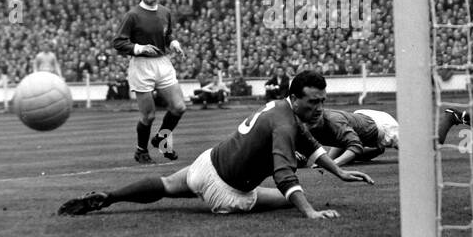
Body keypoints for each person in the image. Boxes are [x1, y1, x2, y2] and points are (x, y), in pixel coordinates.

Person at [57, 71, 372, 218]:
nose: (319, 108)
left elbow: (314, 147)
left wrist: (339, 173)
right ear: (295, 99)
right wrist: (311, 213)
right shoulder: (286, 125)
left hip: (208, 163)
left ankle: (109, 198)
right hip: (228, 192)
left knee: (166, 185)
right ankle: (298, 207)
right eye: (313, 102)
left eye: (322, 102)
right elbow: (284, 176)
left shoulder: (280, 108)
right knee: (289, 198)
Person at [113, 0, 186, 164]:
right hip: (141, 65)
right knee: (149, 115)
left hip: (162, 62)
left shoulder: (165, 12)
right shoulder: (132, 15)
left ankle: (161, 140)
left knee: (179, 107)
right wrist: (139, 48)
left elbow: (167, 35)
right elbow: (119, 42)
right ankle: (141, 151)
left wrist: (174, 43)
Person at [311, 106, 473, 166]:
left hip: (381, 125)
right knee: (355, 154)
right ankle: (377, 147)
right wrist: (327, 161)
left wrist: (332, 164)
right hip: (365, 122)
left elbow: (352, 145)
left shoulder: (333, 120)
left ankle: (450, 117)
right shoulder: (318, 120)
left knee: (427, 150)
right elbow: (339, 139)